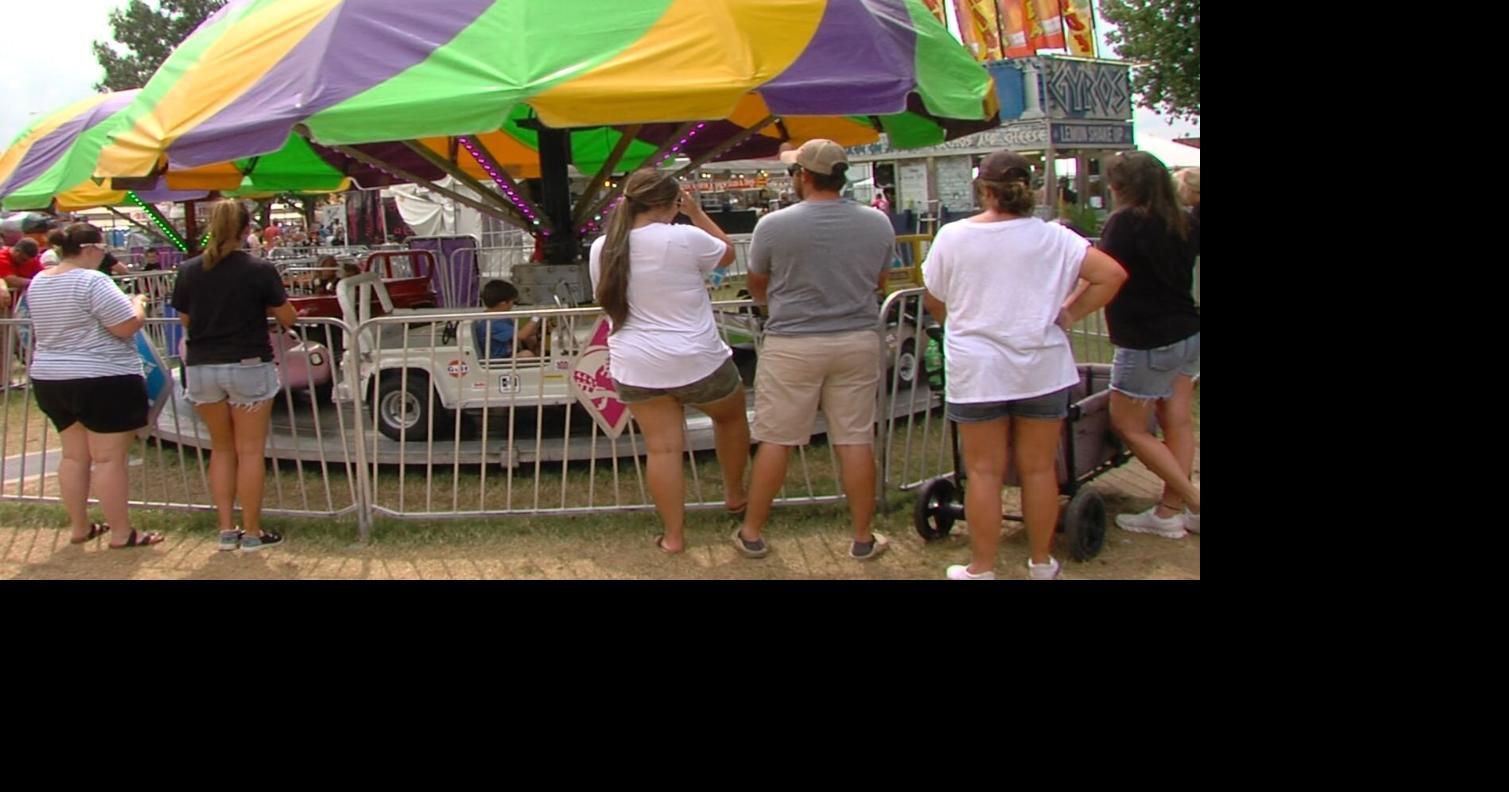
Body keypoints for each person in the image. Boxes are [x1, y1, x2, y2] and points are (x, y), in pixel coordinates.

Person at [921, 150, 1127, 580]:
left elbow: (935, 297)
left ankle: (982, 566)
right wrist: (1068, 312)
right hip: (1041, 366)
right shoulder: (1055, 237)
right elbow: (1111, 275)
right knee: (1039, 469)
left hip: (978, 368)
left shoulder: (953, 236)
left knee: (982, 472)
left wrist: (959, 324)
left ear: (985, 189)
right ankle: (1040, 561)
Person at [734, 139, 893, 561]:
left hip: (794, 340)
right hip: (857, 336)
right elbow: (880, 281)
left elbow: (757, 283)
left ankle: (752, 531)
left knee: (776, 438)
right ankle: (862, 536)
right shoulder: (877, 223)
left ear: (802, 175)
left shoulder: (774, 225)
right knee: (855, 438)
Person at [588, 169, 748, 554]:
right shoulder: (685, 237)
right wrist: (695, 214)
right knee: (729, 417)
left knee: (662, 450)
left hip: (636, 364)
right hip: (698, 359)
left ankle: (673, 536)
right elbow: (727, 251)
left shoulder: (602, 247)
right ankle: (733, 493)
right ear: (671, 202)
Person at [170, 200, 297, 552]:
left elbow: (185, 319)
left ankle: (226, 529)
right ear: (246, 230)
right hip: (247, 363)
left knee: (221, 449)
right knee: (251, 451)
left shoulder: (189, 269)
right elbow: (288, 318)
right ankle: (253, 532)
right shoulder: (259, 269)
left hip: (201, 365)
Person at [25, 223, 160, 548]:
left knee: (73, 456)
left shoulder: (39, 281)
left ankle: (80, 526)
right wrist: (139, 304)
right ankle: (120, 532)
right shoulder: (93, 281)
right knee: (109, 458)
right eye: (102, 249)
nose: (104, 255)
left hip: (51, 376)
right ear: (89, 249)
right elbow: (125, 326)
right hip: (101, 376)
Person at [1097, 151, 1201, 538]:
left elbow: (1102, 272)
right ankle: (1169, 512)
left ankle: (1192, 498)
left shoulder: (1125, 222)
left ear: (1121, 188)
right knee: (1177, 422)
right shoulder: (1182, 220)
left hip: (1145, 339)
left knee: (1128, 425)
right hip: (1186, 331)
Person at [476, 279, 540, 359]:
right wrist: (537, 317)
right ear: (503, 304)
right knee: (526, 354)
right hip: (499, 359)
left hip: (509, 351)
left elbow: (522, 333)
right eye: (512, 302)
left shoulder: (496, 316)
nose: (513, 305)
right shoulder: (493, 322)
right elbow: (522, 335)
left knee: (531, 338)